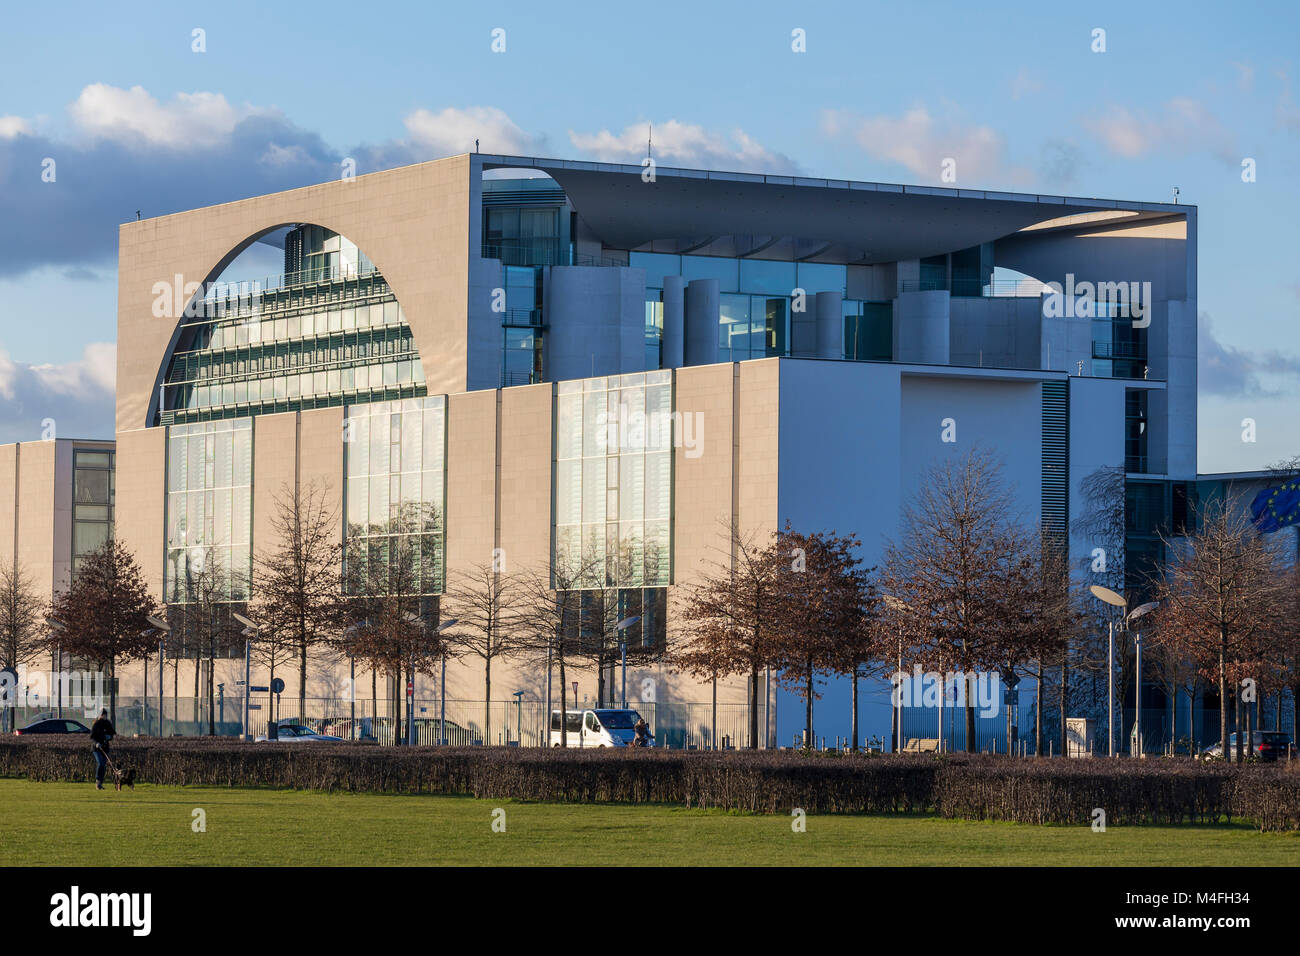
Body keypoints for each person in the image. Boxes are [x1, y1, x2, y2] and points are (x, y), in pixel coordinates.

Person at [90, 709, 115, 790]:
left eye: (105, 715)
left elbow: (112, 734)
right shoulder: (96, 724)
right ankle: (97, 780)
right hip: (97, 748)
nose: (104, 716)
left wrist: (109, 737)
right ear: (100, 715)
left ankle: (100, 783)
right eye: (103, 714)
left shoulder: (108, 723)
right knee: (100, 763)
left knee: (103, 765)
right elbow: (92, 737)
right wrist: (96, 743)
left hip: (105, 747)